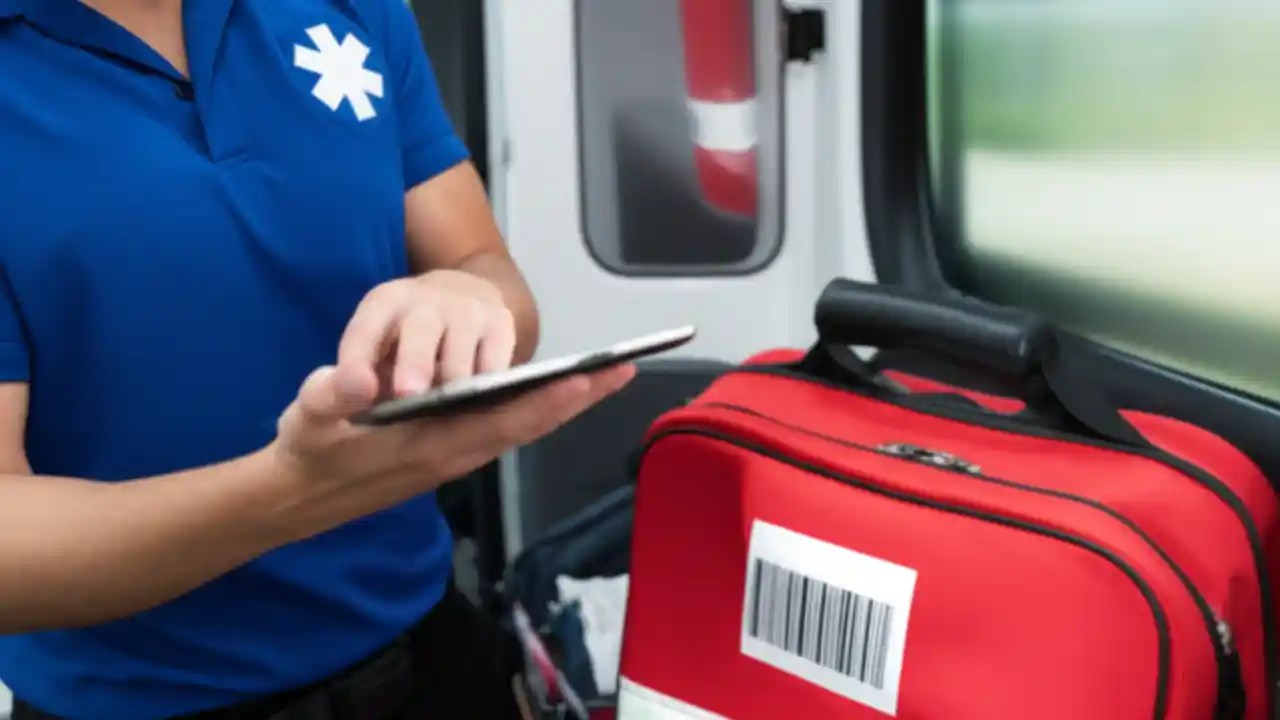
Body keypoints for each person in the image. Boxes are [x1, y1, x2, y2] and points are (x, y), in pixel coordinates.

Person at [0, 0, 635, 717]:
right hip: (138, 704)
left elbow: (483, 265)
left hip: (433, 659)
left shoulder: (354, 9)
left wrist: (463, 303)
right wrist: (287, 492)